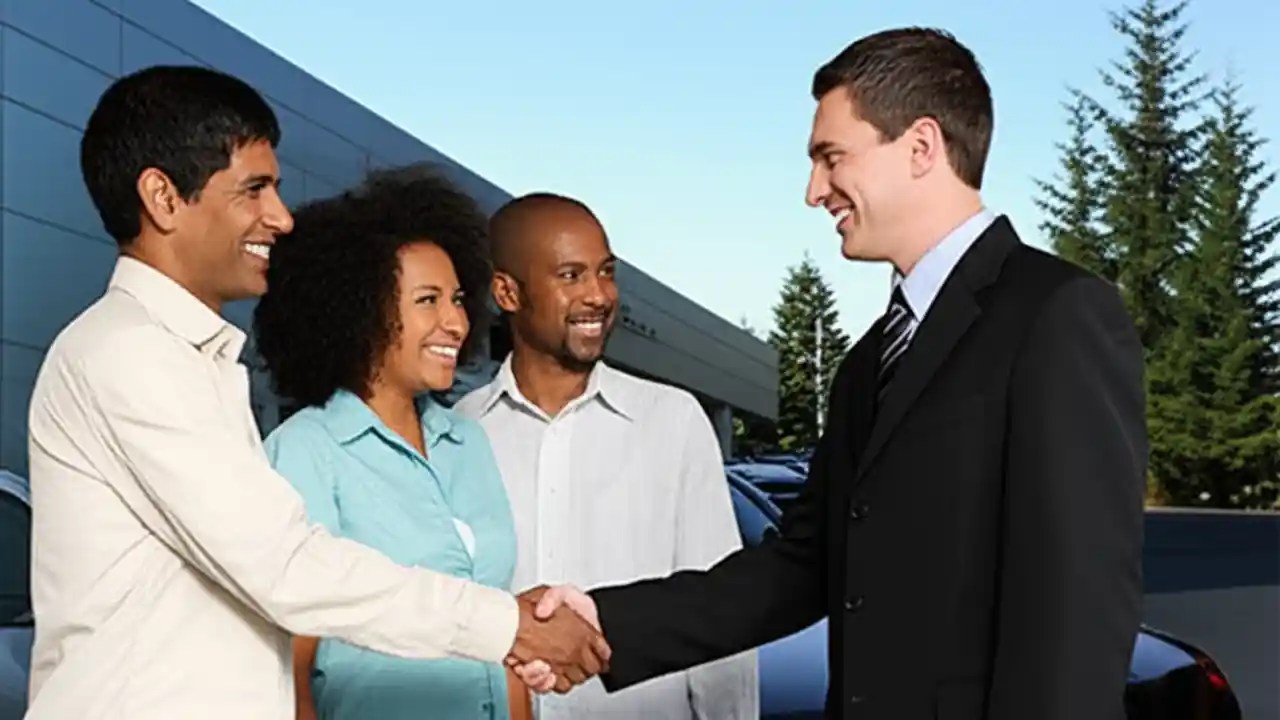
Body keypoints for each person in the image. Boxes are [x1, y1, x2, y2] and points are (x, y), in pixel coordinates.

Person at [523, 27, 1147, 720]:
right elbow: (804, 566)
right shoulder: (870, 359)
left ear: (920, 147)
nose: (814, 191)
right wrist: (605, 621)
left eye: (831, 157)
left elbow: (1079, 611)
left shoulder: (1057, 314)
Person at [24, 65, 604, 720]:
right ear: (163, 197)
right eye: (255, 189)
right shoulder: (128, 352)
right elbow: (286, 566)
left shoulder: (188, 359)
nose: (280, 217)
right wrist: (508, 625)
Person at [253, 167, 550, 720]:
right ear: (360, 310)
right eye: (428, 300)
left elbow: (500, 634)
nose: (455, 322)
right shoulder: (305, 451)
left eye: (459, 299)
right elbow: (286, 666)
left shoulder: (468, 440)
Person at [454, 193, 759, 719]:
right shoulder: (457, 432)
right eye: (571, 275)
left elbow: (719, 618)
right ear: (507, 291)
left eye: (606, 271)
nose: (598, 295)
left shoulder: (673, 421)